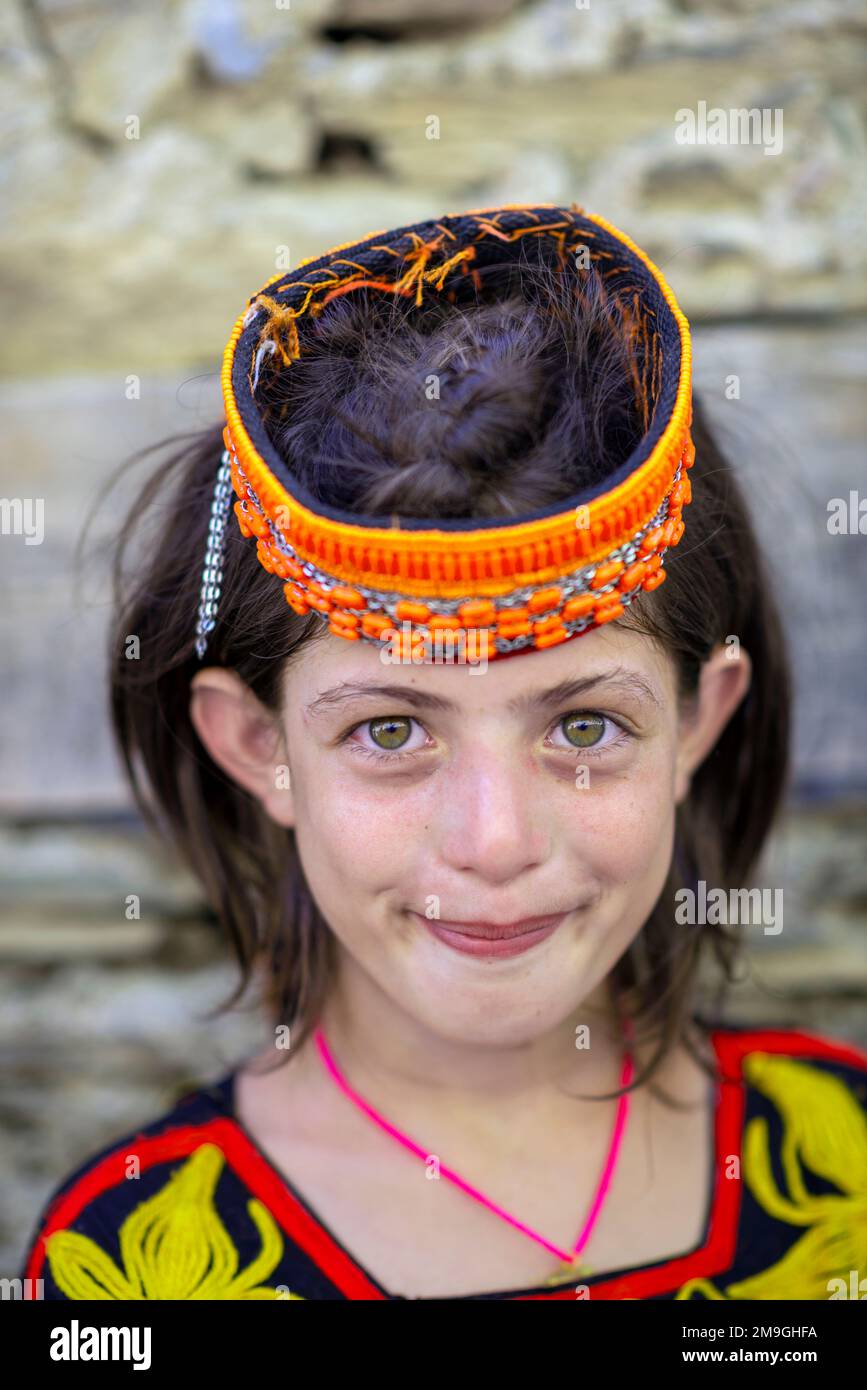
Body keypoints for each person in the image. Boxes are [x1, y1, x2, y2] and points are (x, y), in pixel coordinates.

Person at [20, 203, 867, 1301]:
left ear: (699, 724)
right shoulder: (131, 1269)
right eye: (389, 731)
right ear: (258, 747)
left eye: (582, 727)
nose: (496, 840)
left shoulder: (843, 1168)